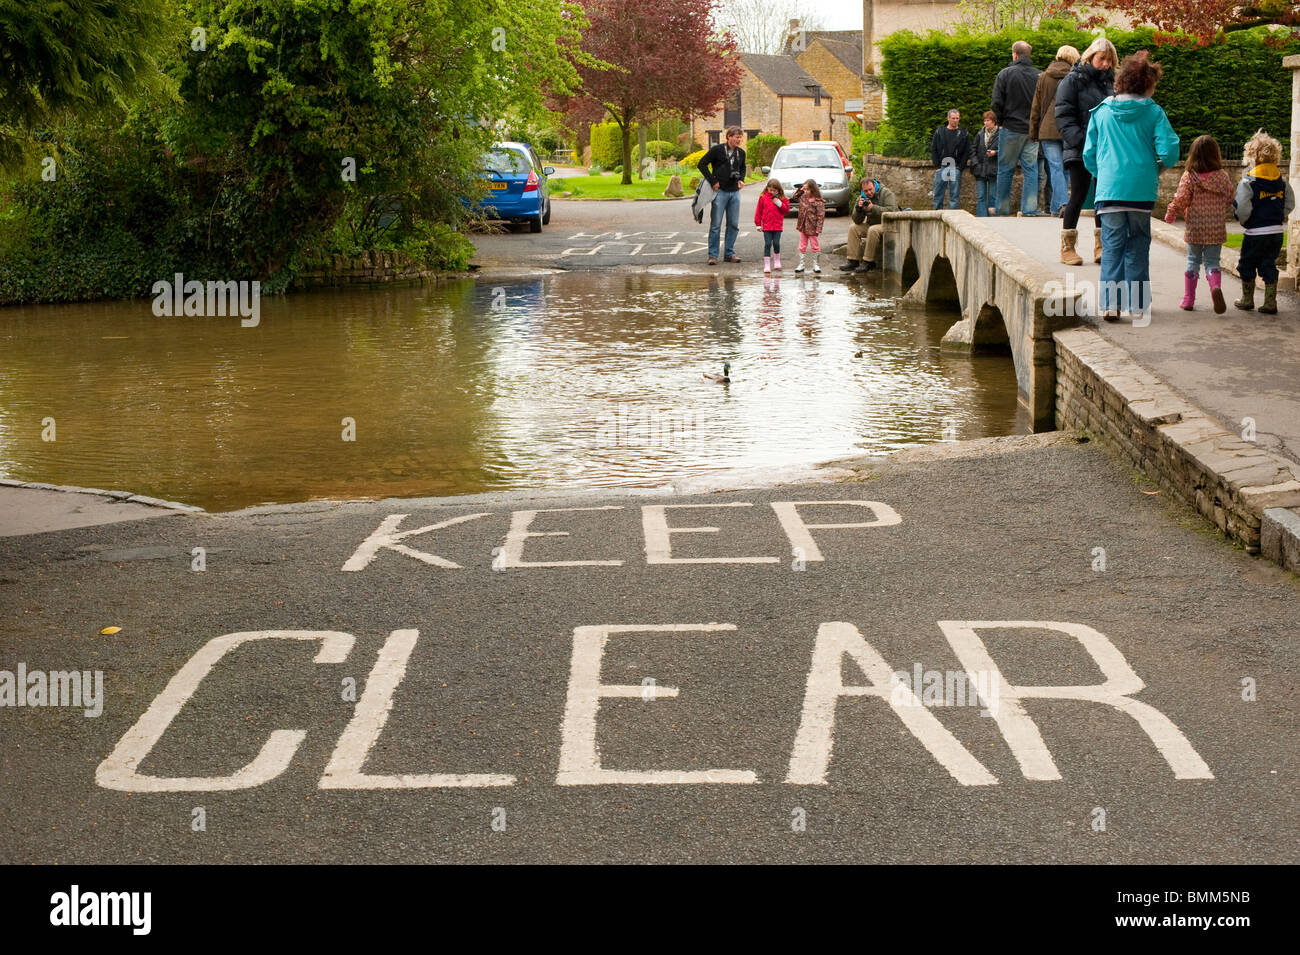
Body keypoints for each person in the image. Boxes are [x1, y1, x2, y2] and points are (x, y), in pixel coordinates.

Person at [1083, 50, 1180, 322]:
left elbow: (1088, 153)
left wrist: (1102, 175)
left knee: (1112, 245)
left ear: (1122, 80)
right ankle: (1137, 304)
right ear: (1147, 84)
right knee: (1138, 245)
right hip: (1140, 190)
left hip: (1110, 189)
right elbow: (1170, 148)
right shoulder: (1153, 112)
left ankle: (1110, 305)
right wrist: (1158, 167)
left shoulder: (1101, 112)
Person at [1055, 36, 1117, 265]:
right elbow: (1063, 115)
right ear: (1090, 56)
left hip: (1104, 149)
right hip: (1080, 147)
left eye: (1110, 60)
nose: (1106, 64)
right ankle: (1067, 247)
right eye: (1102, 59)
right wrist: (1083, 142)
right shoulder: (1072, 80)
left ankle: (1101, 246)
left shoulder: (1109, 82)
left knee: (1103, 196)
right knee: (1078, 196)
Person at [1163, 135, 1235, 314]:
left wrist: (1171, 213)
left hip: (1195, 226)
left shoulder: (1190, 176)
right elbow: (1230, 197)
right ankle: (1215, 288)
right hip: (1215, 227)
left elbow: (1181, 199)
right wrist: (1219, 209)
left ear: (1193, 154)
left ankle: (1189, 299)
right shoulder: (1222, 176)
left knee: (1193, 261)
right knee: (1212, 262)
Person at [1232, 130, 1294, 314]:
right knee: (1268, 264)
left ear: (1251, 157)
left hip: (1255, 233)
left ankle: (1246, 299)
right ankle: (1270, 302)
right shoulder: (1281, 181)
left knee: (1247, 264)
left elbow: (1242, 207)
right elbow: (1290, 203)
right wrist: (1278, 215)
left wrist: (1244, 220)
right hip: (1275, 232)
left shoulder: (1248, 181)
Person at [991, 40, 1041, 216]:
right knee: (1031, 169)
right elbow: (1043, 104)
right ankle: (1029, 208)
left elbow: (996, 102)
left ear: (1014, 55)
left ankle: (1002, 209)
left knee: (1005, 168)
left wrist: (1001, 120)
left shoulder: (1005, 74)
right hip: (1031, 130)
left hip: (1011, 127)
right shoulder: (1039, 76)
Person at [1029, 45, 1079, 216]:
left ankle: (1059, 205)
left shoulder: (1043, 77)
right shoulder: (1075, 77)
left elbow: (1036, 107)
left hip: (1048, 129)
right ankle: (1061, 205)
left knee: (1055, 167)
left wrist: (1034, 131)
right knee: (1065, 167)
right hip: (1068, 128)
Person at [698, 126, 747, 265]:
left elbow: (742, 167)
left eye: (740, 137)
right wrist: (713, 181)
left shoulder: (741, 153)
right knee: (716, 225)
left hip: (735, 193)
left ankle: (729, 254)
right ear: (729, 137)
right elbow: (701, 164)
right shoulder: (717, 150)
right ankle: (712, 255)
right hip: (719, 192)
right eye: (736, 137)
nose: (738, 140)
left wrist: (741, 179)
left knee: (733, 224)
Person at [839, 177, 899, 272]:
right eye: (866, 191)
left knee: (873, 230)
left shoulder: (886, 193)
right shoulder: (861, 198)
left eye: (870, 189)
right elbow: (857, 221)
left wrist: (873, 208)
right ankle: (853, 261)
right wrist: (859, 210)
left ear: (874, 186)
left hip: (889, 224)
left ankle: (868, 262)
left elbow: (892, 211)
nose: (869, 193)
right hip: (872, 224)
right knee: (853, 228)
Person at [931, 109, 971, 210]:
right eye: (953, 118)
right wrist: (937, 166)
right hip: (942, 167)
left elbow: (967, 152)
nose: (955, 120)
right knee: (938, 195)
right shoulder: (939, 132)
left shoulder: (963, 133)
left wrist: (960, 168)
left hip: (955, 167)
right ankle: (937, 216)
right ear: (948, 118)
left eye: (957, 118)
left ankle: (952, 218)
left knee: (954, 196)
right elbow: (933, 149)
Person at [754, 178, 789, 274]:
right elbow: (759, 211)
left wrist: (779, 203)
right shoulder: (763, 197)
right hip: (767, 226)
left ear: (778, 190)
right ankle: (767, 264)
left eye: (774, 190)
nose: (772, 192)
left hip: (777, 226)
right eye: (770, 190)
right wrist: (758, 224)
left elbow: (786, 210)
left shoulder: (783, 198)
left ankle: (777, 261)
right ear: (767, 188)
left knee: (776, 244)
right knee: (768, 244)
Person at [792, 179, 826, 273]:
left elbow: (821, 216)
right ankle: (801, 264)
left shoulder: (818, 201)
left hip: (813, 227)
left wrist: (819, 228)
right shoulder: (803, 197)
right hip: (803, 226)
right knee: (802, 245)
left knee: (814, 245)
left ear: (813, 189)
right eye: (805, 189)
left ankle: (816, 264)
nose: (805, 191)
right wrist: (800, 189)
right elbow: (795, 197)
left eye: (807, 189)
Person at [970, 111, 1000, 216]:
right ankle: (982, 219)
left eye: (988, 120)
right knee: (981, 196)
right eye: (985, 120)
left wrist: (995, 152)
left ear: (994, 122)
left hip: (994, 169)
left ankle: (992, 220)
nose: (986, 123)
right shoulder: (980, 134)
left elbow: (1005, 151)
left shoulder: (1000, 134)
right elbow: (973, 149)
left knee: (992, 196)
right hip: (980, 169)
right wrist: (975, 163)